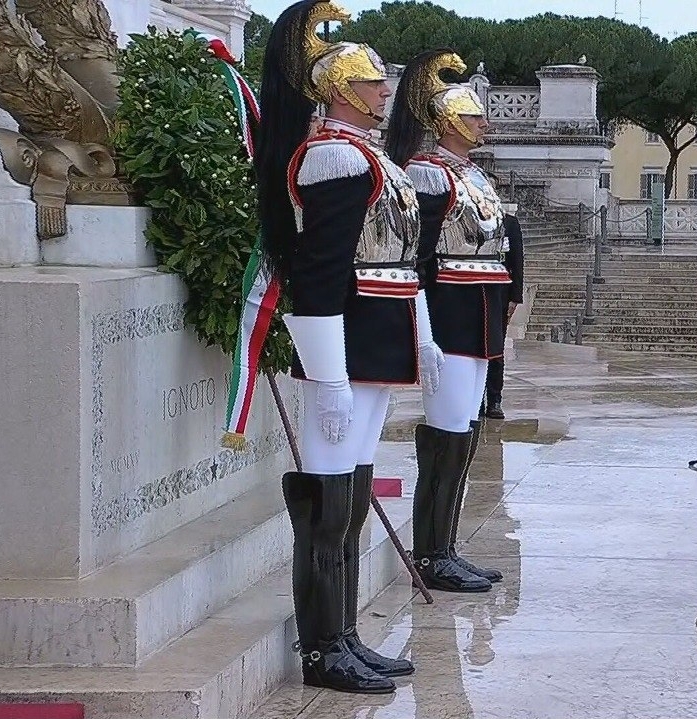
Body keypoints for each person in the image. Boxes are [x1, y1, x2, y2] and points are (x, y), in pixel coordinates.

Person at [255, 0, 438, 692]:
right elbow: (321, 272)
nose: (383, 91)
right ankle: (321, 649)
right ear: (338, 90)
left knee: (353, 493)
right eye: (369, 82)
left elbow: (397, 259)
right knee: (327, 501)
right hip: (344, 343)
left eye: (383, 81)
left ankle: (346, 634)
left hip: (373, 340)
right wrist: (326, 375)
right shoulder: (332, 155)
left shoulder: (365, 155)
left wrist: (420, 336)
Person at [385, 48, 509, 593]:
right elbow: (419, 253)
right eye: (475, 115)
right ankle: (431, 554)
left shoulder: (472, 173)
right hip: (450, 310)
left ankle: (447, 545)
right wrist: (423, 329)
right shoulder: (428, 174)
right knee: (446, 431)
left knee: (466, 431)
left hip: (479, 311)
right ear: (452, 121)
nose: (485, 122)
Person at [483, 203, 524, 419]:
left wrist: (515, 297)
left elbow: (517, 261)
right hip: (474, 293)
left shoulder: (509, 223)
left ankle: (494, 399)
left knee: (496, 348)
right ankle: (476, 399)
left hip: (500, 294)